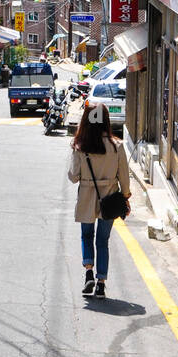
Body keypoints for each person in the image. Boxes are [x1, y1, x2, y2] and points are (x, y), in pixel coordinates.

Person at [67, 101, 131, 298]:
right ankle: (101, 282)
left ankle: (88, 273)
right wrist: (126, 197)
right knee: (102, 240)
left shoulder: (80, 146)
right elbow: (124, 177)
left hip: (87, 196)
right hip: (110, 197)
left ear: (86, 120)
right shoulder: (117, 146)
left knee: (87, 235)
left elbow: (73, 177)